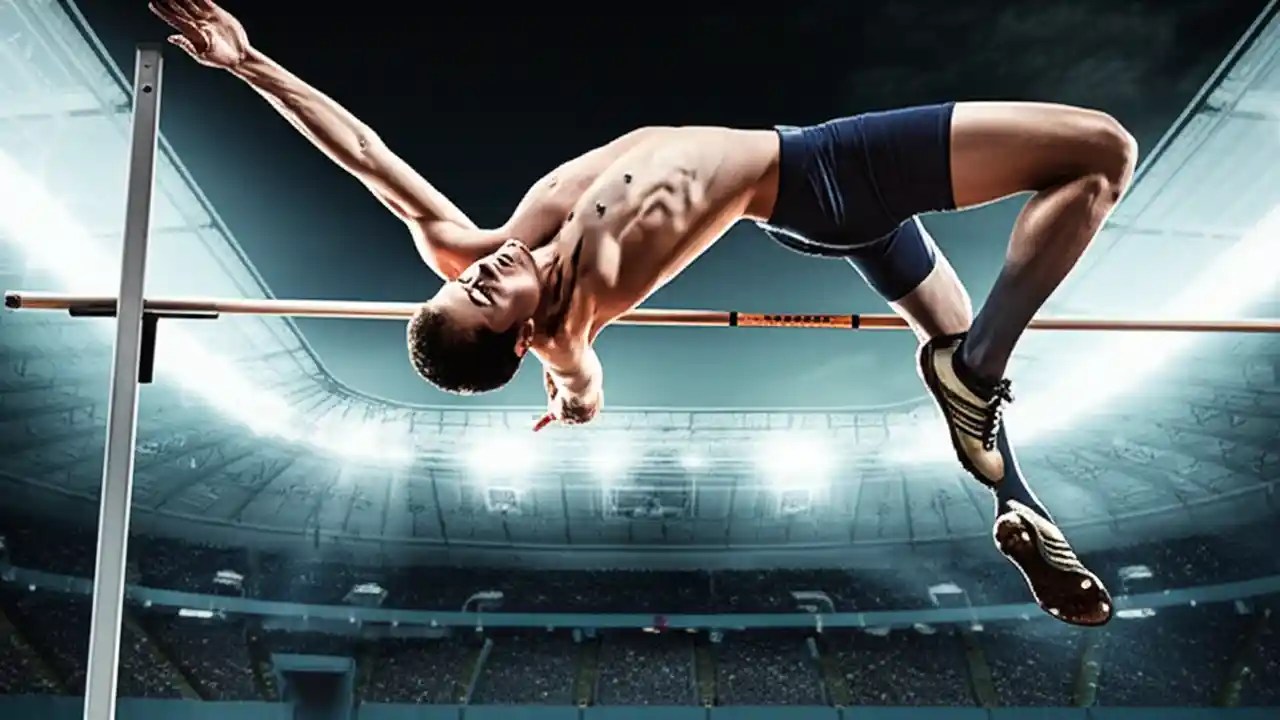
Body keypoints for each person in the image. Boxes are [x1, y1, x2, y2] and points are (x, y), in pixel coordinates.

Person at [151, 0, 1136, 626]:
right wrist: (574, 397)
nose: (488, 267)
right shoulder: (571, 313)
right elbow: (583, 378)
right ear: (520, 334)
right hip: (824, 173)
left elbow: (367, 158)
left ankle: (1017, 504)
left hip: (821, 223)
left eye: (466, 279)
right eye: (490, 295)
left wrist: (247, 64)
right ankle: (975, 373)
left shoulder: (490, 246)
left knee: (951, 332)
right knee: (1096, 152)